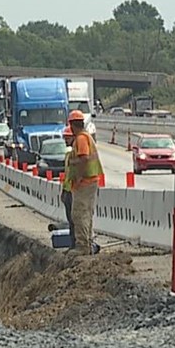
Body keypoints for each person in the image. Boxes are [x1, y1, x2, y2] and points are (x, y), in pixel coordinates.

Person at [66, 109, 102, 255]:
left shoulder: (81, 138)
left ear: (72, 125)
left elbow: (84, 158)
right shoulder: (85, 137)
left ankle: (82, 246)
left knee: (79, 214)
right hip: (89, 181)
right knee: (85, 213)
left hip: (85, 182)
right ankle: (88, 244)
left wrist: (79, 176)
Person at [60, 123, 76, 247]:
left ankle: (77, 243)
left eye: (67, 138)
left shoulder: (75, 154)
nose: (65, 140)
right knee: (70, 219)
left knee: (75, 219)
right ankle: (73, 243)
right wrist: (64, 191)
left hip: (75, 192)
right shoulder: (68, 155)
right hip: (68, 191)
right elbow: (67, 176)